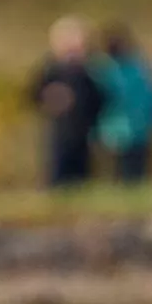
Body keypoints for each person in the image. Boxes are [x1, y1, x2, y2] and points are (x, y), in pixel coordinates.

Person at [30, 16, 106, 190]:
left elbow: (99, 98)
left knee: (82, 175)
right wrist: (50, 99)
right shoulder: (51, 68)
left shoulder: (90, 70)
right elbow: (34, 94)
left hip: (83, 129)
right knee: (59, 173)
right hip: (60, 130)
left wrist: (94, 117)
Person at [93, 22, 152, 184]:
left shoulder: (138, 68)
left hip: (139, 129)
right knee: (116, 175)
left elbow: (151, 97)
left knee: (139, 173)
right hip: (113, 131)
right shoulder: (101, 69)